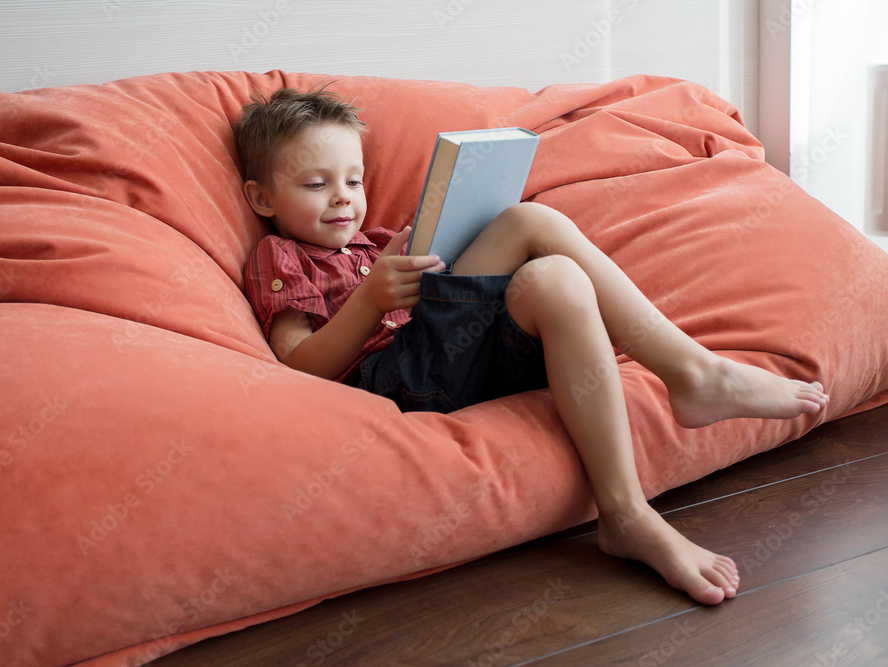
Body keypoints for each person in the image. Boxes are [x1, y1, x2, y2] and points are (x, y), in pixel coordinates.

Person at [235, 87, 829, 605]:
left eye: (354, 180)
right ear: (262, 199)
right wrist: (369, 299)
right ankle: (693, 376)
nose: (343, 197)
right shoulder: (280, 257)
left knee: (556, 278)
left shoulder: (378, 242)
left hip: (464, 360)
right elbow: (299, 369)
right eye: (317, 184)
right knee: (527, 223)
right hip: (400, 380)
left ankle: (623, 513)